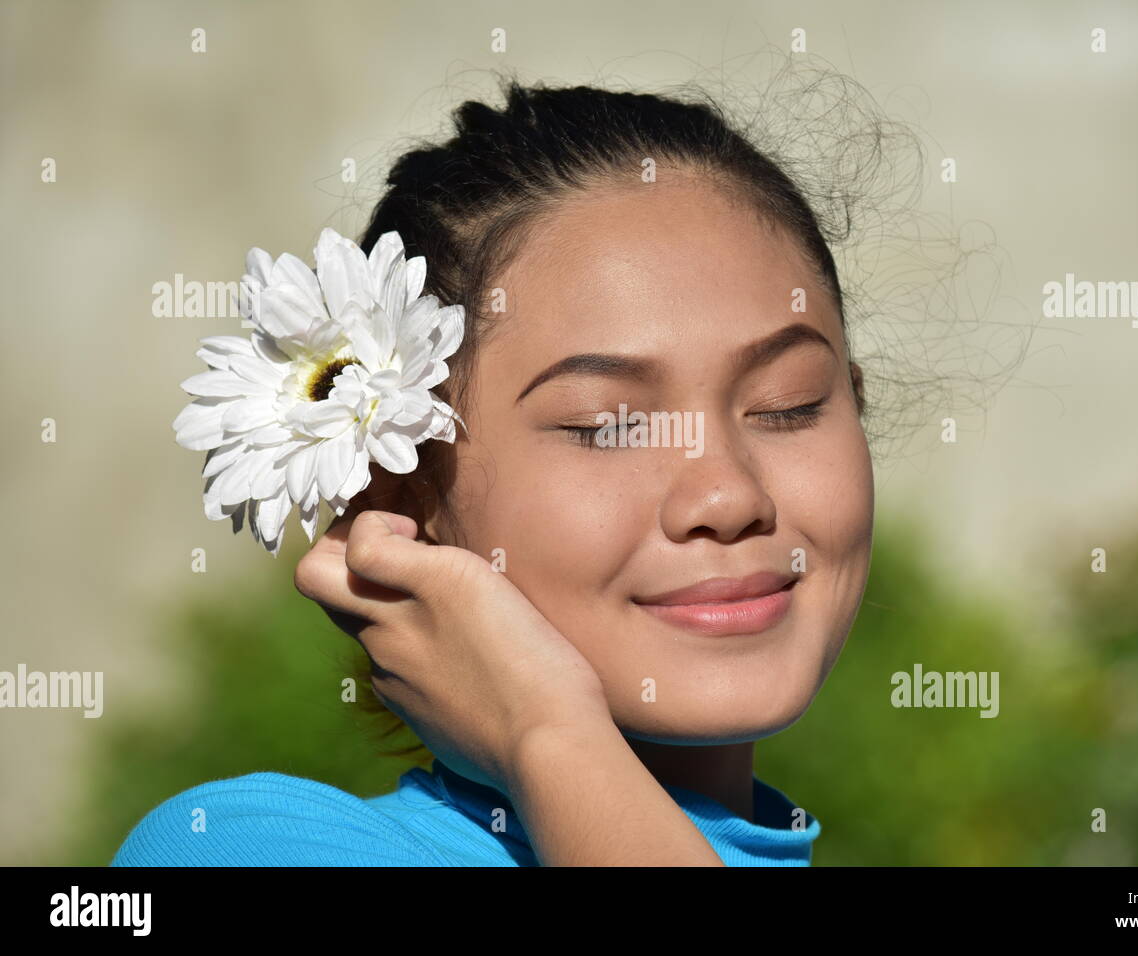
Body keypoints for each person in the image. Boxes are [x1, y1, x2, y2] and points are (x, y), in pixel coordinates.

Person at [112, 72, 875, 867]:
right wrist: (544, 732)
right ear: (396, 492)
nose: (728, 494)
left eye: (788, 405)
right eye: (605, 424)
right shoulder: (245, 848)